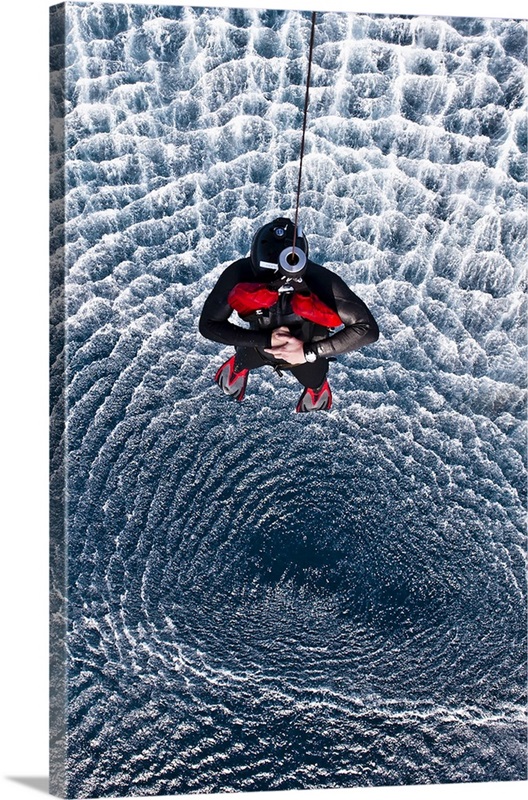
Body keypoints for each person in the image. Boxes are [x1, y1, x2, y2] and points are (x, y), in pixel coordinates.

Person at [199, 217, 379, 412]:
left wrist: (308, 352)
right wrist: (267, 340)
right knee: (246, 357)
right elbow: (207, 325)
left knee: (314, 378)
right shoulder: (240, 272)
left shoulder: (319, 279)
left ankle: (315, 388)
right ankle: (241, 366)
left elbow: (368, 330)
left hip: (302, 350)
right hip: (261, 343)